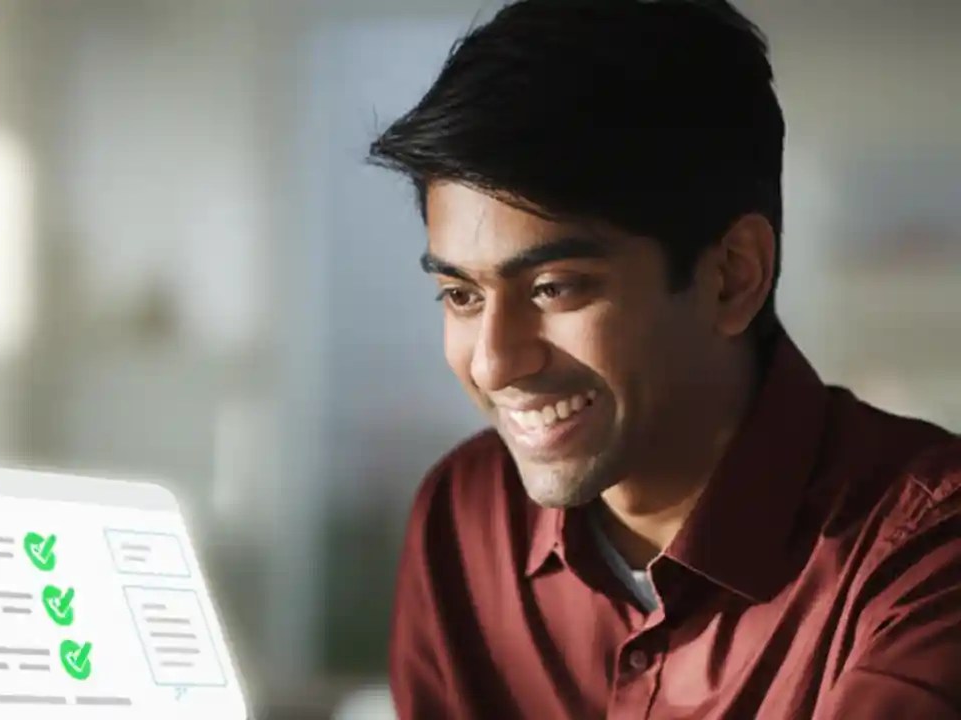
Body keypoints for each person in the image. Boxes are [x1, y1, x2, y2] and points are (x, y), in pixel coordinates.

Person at [366, 1, 961, 718]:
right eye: (461, 295)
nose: (494, 364)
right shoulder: (462, 519)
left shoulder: (927, 551)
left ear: (731, 276)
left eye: (556, 288)